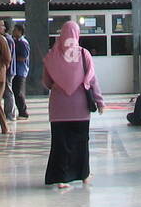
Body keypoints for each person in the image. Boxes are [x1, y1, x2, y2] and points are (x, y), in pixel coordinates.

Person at [41, 22, 104, 187]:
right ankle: (83, 175)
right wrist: (100, 102)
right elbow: (92, 81)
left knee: (60, 143)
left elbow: (47, 82)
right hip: (80, 107)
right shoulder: (84, 54)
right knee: (81, 142)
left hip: (59, 108)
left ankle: (61, 178)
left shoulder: (52, 56)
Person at [12, 25, 31, 119]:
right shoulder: (16, 42)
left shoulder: (23, 43)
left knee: (18, 92)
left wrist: (13, 59)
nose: (13, 31)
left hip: (21, 70)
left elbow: (23, 57)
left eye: (15, 30)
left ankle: (23, 112)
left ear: (20, 31)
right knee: (15, 91)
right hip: (16, 70)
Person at [1, 18, 18, 122]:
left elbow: (8, 57)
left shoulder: (7, 39)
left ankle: (10, 114)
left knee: (8, 91)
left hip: (8, 70)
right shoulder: (7, 39)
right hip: (8, 70)